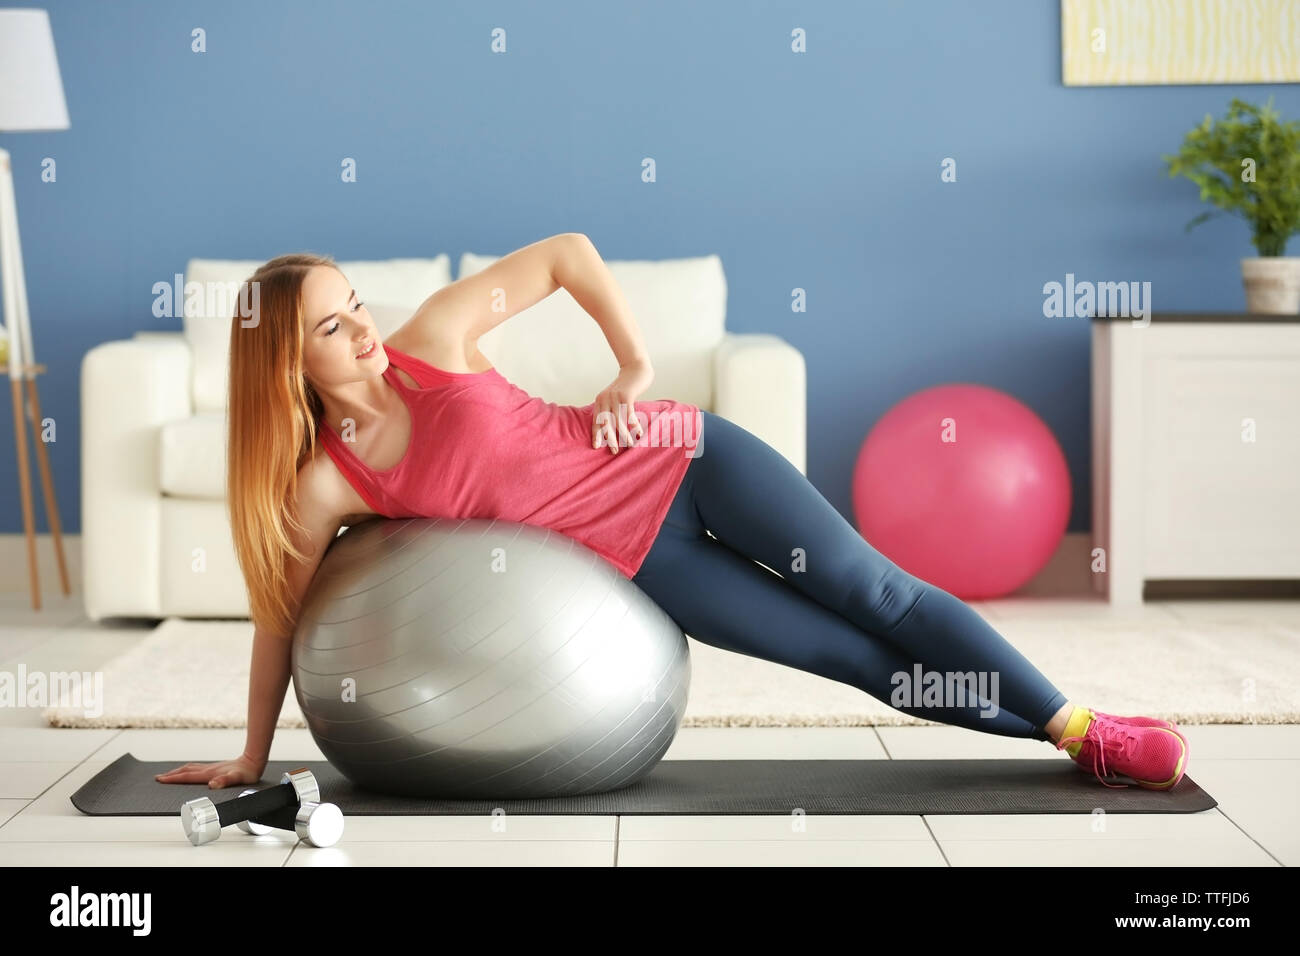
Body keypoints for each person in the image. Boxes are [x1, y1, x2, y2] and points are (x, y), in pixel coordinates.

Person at [156, 234, 1188, 793]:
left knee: (874, 589)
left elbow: (567, 254)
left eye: (353, 305)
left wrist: (632, 366)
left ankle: (1082, 727)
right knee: (850, 658)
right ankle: (1059, 741)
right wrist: (251, 752)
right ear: (289, 363)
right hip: (645, 565)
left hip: (688, 459)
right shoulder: (326, 483)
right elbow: (280, 620)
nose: (361, 332)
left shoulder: (434, 335)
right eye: (331, 329)